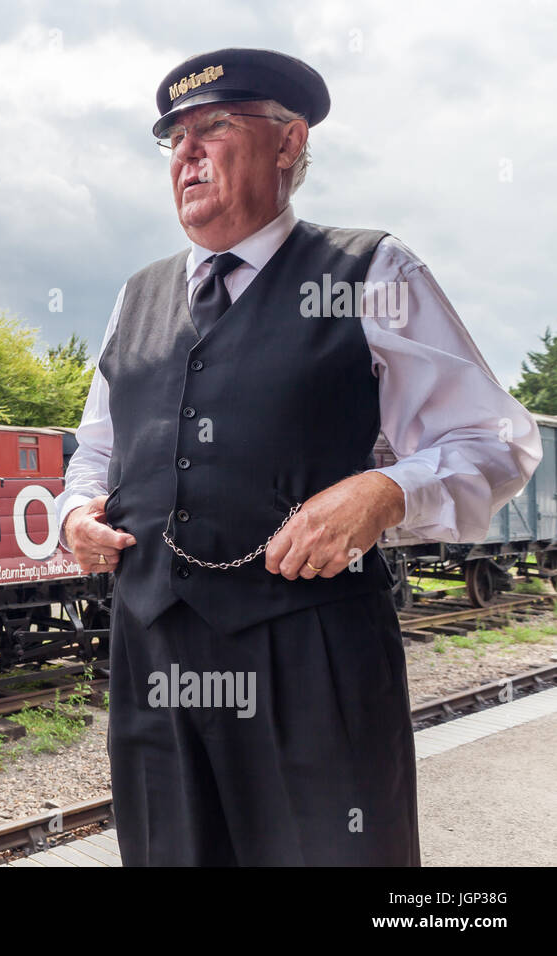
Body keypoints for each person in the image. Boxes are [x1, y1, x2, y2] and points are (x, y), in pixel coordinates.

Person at [54, 47, 541, 866]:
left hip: (310, 657)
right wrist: (75, 509)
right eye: (173, 139)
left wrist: (386, 490)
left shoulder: (371, 270)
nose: (186, 155)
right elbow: (96, 447)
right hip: (153, 652)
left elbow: (495, 440)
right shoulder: (134, 298)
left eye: (212, 128)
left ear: (288, 144)